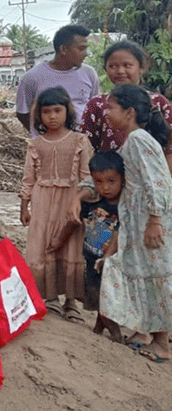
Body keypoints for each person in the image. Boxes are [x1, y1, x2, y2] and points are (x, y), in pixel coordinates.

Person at [93, 84, 172, 362]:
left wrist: (155, 220)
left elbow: (157, 182)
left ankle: (162, 343)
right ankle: (146, 332)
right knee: (142, 273)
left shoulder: (138, 140)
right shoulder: (134, 140)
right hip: (139, 221)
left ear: (129, 112)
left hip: (149, 222)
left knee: (154, 277)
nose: (106, 112)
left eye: (111, 107)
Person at [19, 86, 92, 322]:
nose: (52, 116)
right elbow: (28, 177)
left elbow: (86, 177)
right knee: (42, 245)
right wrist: (24, 205)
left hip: (71, 201)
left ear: (67, 111)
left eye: (57, 110)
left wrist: (83, 203)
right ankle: (50, 298)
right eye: (46, 111)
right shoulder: (35, 144)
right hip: (42, 201)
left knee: (71, 245)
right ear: (38, 115)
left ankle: (71, 302)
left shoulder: (80, 141)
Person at [81, 40, 172, 170]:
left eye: (127, 65)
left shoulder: (158, 102)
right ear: (105, 69)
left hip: (152, 176)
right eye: (112, 66)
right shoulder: (96, 105)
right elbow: (86, 148)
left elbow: (169, 148)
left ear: (141, 68)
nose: (120, 71)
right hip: (108, 178)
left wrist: (164, 177)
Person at [16, 24, 99, 136]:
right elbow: (22, 113)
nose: (86, 53)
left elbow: (94, 109)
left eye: (86, 48)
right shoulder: (32, 78)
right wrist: (41, 135)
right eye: (81, 49)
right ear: (63, 49)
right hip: (47, 145)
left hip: (82, 142)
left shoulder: (89, 74)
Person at [79, 151, 123, 342]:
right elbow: (75, 221)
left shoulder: (123, 208)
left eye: (111, 181)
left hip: (112, 262)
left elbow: (120, 233)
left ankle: (116, 333)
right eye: (99, 182)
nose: (105, 187)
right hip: (91, 256)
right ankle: (99, 325)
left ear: (122, 179)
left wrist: (107, 258)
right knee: (95, 293)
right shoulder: (92, 203)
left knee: (107, 297)